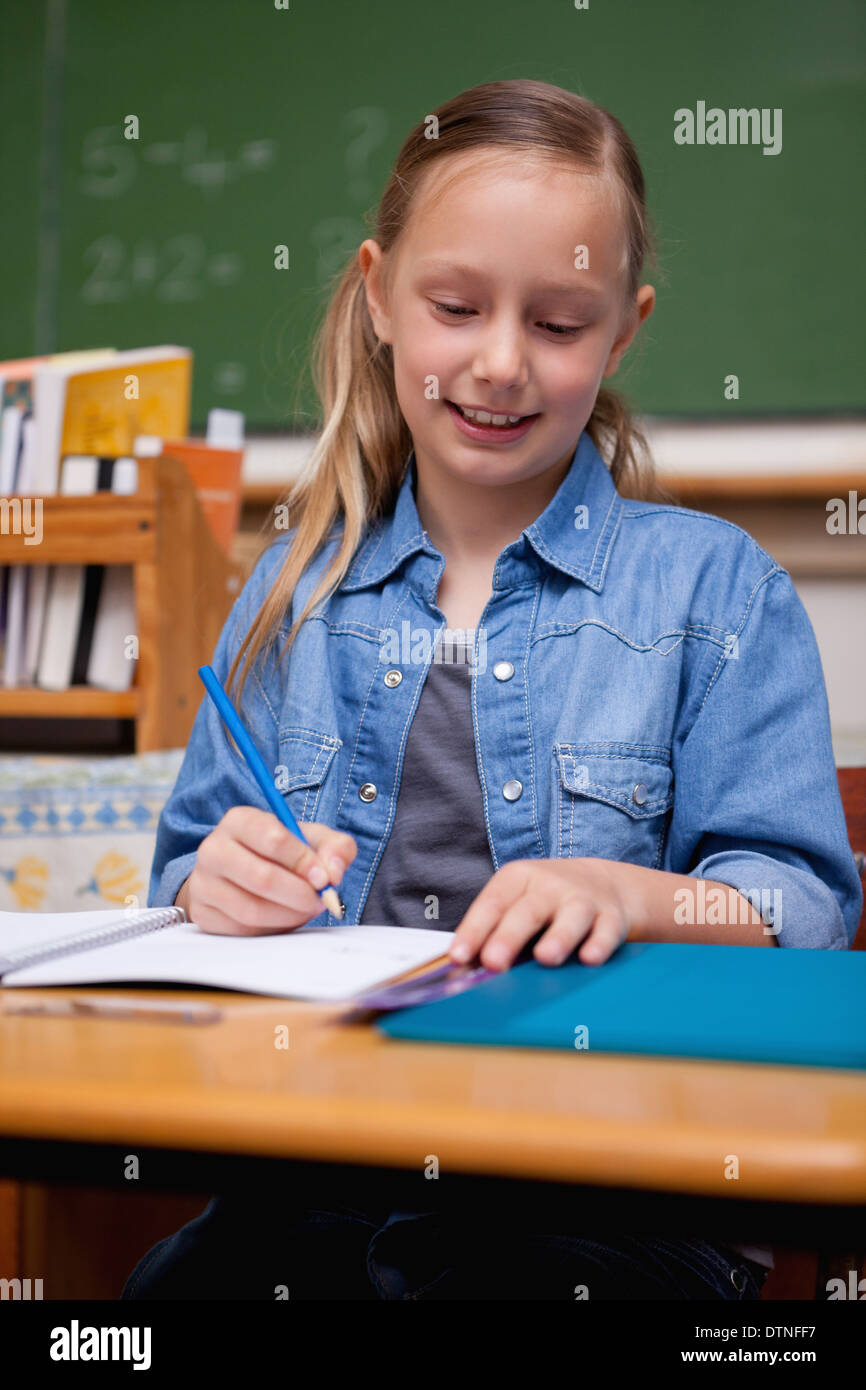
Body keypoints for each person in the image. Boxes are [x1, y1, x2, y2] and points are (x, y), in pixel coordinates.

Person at [122, 79, 861, 1300]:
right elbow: (185, 880)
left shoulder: (713, 590)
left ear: (623, 331)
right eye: (455, 307)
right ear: (376, 296)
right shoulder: (290, 588)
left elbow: (799, 906)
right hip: (313, 1170)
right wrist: (212, 883)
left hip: (615, 1187)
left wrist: (627, 894)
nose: (501, 362)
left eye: (560, 324)